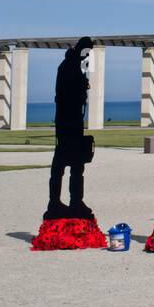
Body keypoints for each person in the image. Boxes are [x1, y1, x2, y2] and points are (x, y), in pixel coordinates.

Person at [48, 36, 94, 215]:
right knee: (61, 162)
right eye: (87, 51)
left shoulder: (73, 65)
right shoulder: (69, 66)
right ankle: (55, 201)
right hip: (68, 120)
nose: (88, 55)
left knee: (77, 162)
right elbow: (65, 95)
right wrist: (82, 87)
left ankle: (75, 201)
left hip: (73, 119)